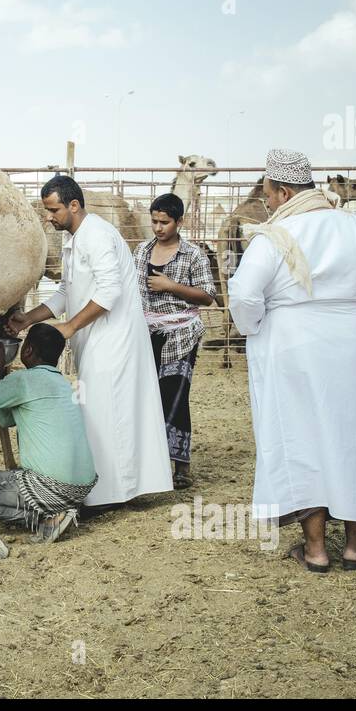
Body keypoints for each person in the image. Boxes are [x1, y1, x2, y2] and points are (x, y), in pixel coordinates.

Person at [227, 149, 356, 573]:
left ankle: (315, 551)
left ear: (281, 190)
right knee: (354, 437)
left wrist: (256, 327)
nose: (269, 203)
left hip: (291, 346)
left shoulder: (273, 237)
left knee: (299, 436)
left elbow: (242, 296)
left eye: (270, 195)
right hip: (351, 345)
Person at [6, 175, 173, 507]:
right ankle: (109, 490)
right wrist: (28, 318)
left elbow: (110, 290)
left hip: (113, 339)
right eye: (46, 211)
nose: (48, 217)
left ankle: (113, 493)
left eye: (53, 210)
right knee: (100, 412)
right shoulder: (75, 239)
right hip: (96, 338)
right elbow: (67, 292)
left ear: (73, 205)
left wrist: (69, 327)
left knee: (110, 413)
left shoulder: (96, 235)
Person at [0, 324, 97, 543]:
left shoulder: (23, 380)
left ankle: (49, 517)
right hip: (82, 489)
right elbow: (6, 420)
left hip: (49, 487)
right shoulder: (62, 383)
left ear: (27, 351)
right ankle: (61, 510)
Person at [134, 192, 216, 490]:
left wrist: (171, 286)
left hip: (182, 333)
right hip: (147, 332)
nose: (158, 228)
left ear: (179, 222)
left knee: (175, 394)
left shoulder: (193, 254)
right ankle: (153, 462)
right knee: (149, 395)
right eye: (154, 221)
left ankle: (181, 466)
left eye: (165, 222)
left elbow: (208, 296)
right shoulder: (143, 251)